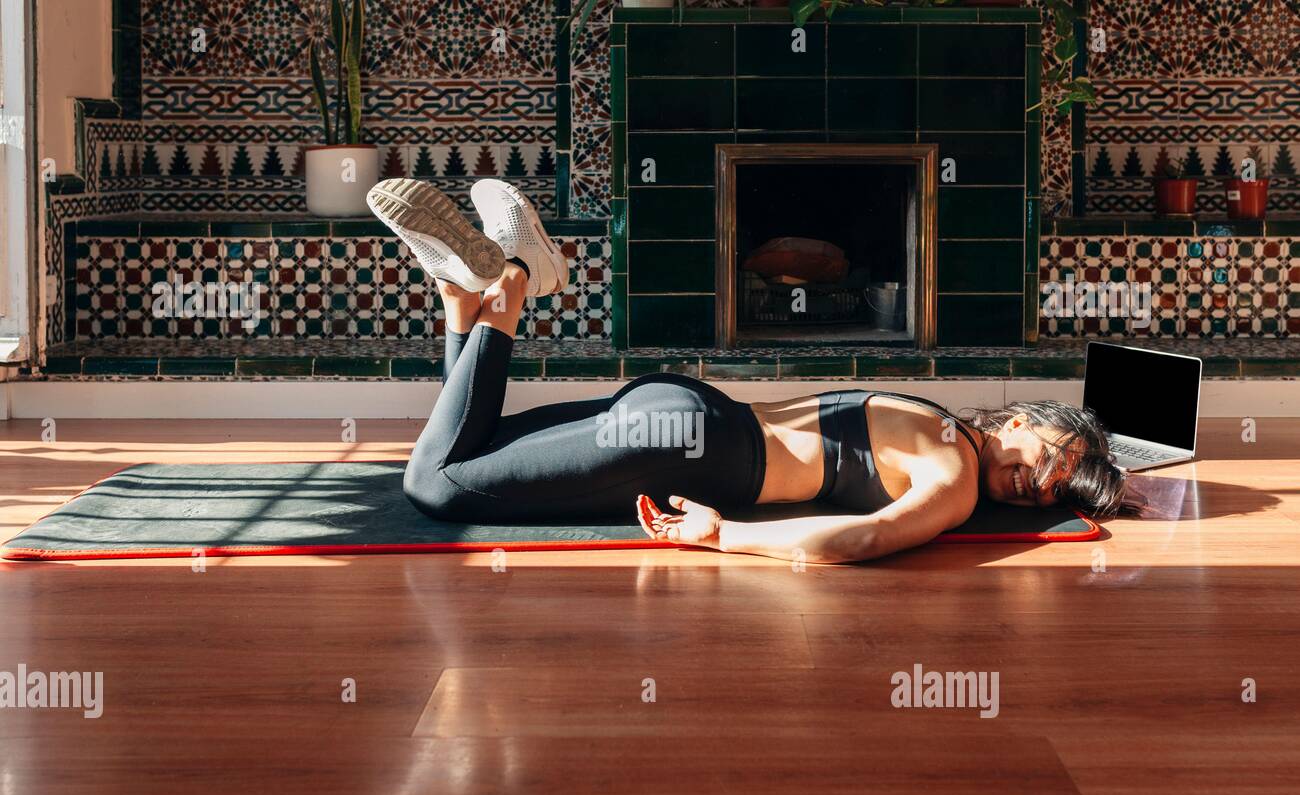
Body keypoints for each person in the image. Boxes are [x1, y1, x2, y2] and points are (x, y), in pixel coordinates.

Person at [367, 178, 1127, 565]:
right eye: (1048, 464)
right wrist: (724, 535)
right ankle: (516, 278)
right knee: (438, 486)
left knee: (476, 442)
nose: (1038, 488)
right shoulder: (954, 477)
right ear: (1021, 422)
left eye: (1053, 492)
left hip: (685, 413)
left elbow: (865, 527)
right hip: (682, 446)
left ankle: (461, 300)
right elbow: (863, 541)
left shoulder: (932, 414)